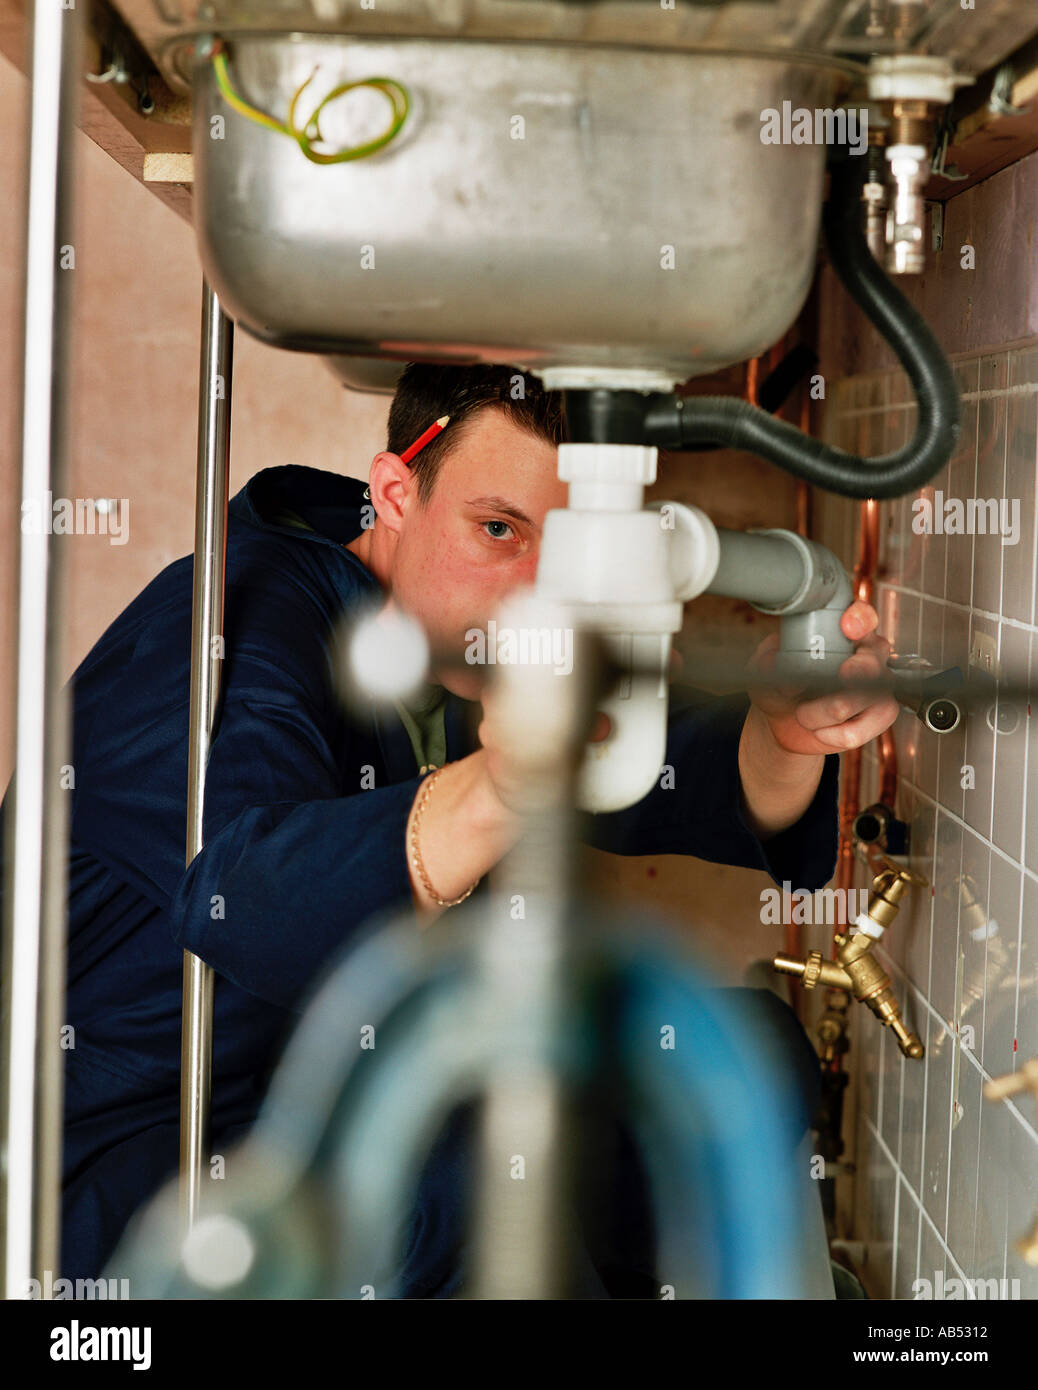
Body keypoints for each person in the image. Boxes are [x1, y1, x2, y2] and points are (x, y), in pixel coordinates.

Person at [1, 362, 898, 1293]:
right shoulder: (232, 622)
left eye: (568, 551)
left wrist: (783, 732)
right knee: (474, 1173)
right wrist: (503, 784)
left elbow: (653, 771)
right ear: (396, 493)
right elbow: (247, 896)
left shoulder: (446, 633)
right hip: (115, 1184)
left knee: (742, 1064)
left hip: (308, 1105)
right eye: (498, 529)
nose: (532, 591)